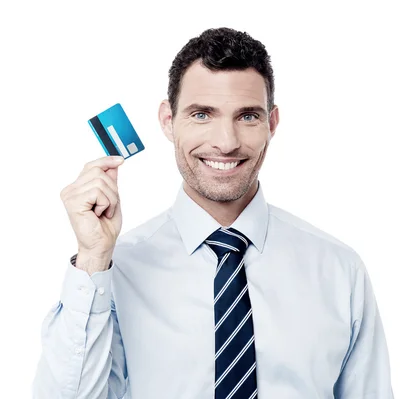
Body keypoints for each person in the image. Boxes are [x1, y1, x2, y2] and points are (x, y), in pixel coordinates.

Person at [32, 27, 394, 398]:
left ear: (271, 124)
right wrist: (92, 258)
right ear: (168, 121)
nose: (226, 142)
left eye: (248, 117)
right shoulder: (116, 270)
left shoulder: (339, 270)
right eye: (202, 114)